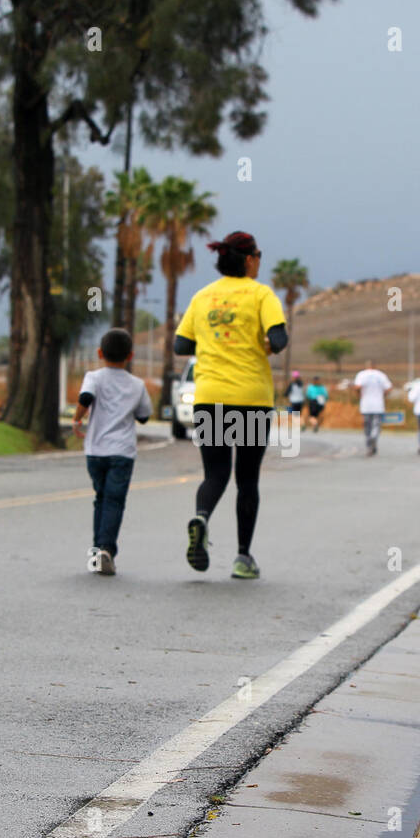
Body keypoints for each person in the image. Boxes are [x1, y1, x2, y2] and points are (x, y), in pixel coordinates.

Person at [173, 230, 287, 579]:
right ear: (250, 259)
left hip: (209, 398)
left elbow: (180, 344)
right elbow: (280, 340)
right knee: (247, 480)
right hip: (251, 400)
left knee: (216, 473)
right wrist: (262, 345)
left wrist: (213, 346)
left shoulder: (203, 296)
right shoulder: (261, 294)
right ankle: (242, 557)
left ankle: (202, 517)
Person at [72, 328, 152, 576]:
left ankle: (98, 553)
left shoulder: (93, 377)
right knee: (114, 501)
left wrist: (76, 421)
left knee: (101, 499)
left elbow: (85, 398)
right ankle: (106, 549)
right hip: (122, 452)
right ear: (130, 356)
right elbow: (144, 416)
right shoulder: (137, 385)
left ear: (99, 353)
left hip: (95, 450)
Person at [353, 359, 393, 456]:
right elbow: (389, 388)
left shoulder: (361, 375)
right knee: (376, 425)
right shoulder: (380, 375)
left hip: (366, 405)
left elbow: (357, 387)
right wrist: (383, 395)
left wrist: (359, 395)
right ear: (375, 366)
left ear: (366, 366)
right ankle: (374, 437)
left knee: (367, 426)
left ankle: (369, 445)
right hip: (378, 405)